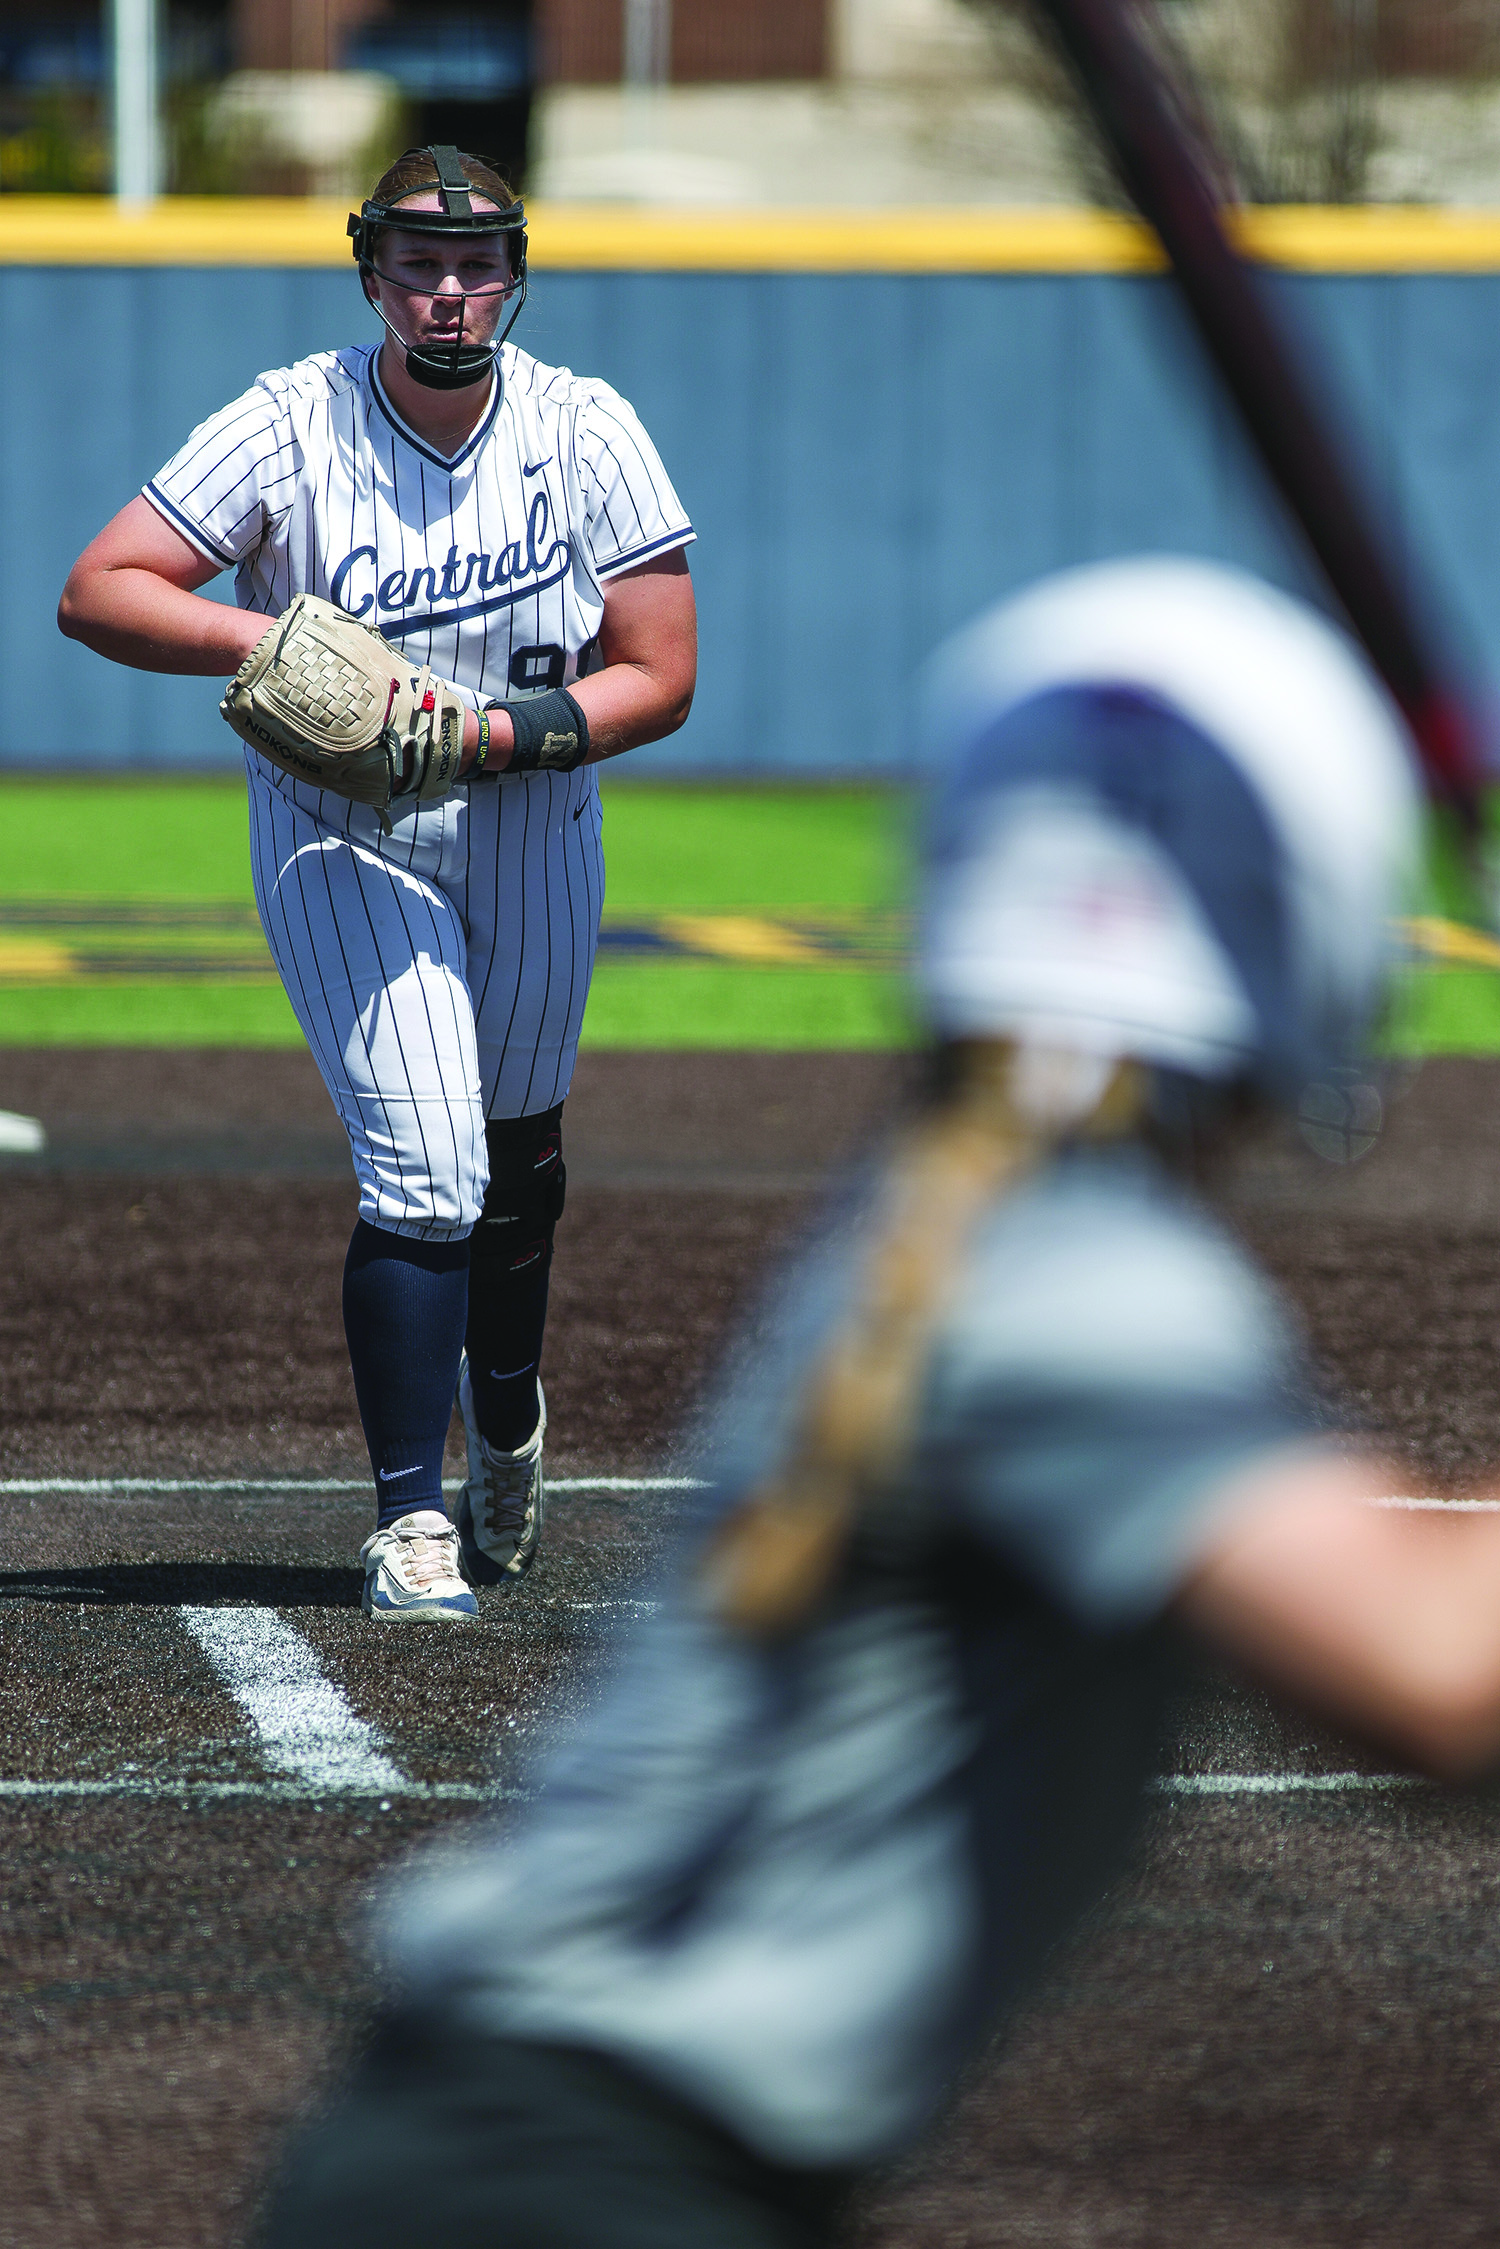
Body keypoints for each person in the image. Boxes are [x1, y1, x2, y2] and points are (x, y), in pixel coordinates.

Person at [261, 554, 1500, 2249]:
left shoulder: (958, 1221)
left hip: (508, 2165)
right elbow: (1438, 1670)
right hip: (580, 2189)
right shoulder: (1084, 1280)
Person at [58, 146, 697, 1623]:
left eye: (476, 265)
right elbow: (101, 588)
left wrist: (488, 735)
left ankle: (508, 1411)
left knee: (517, 1169)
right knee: (427, 1163)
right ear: (371, 274)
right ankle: (412, 1515)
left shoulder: (584, 429)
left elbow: (661, 673)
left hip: (530, 820)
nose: (448, 292)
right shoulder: (293, 420)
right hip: (342, 830)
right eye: (417, 264)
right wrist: (271, 643)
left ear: (516, 277)